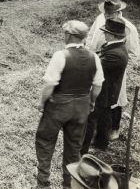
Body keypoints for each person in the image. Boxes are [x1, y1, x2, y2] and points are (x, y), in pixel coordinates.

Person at [35, 20, 104, 188]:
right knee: (74, 148)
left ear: (68, 36)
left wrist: (42, 103)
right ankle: (68, 183)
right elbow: (98, 85)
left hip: (58, 107)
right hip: (81, 108)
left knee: (45, 141)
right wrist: (91, 102)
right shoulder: (94, 57)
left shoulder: (61, 56)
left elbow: (50, 84)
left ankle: (43, 182)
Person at [86, 0, 140, 140]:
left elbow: (134, 54)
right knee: (98, 97)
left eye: (110, 13)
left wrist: (117, 65)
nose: (107, 16)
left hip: (115, 70)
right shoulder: (100, 19)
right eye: (106, 13)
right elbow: (91, 36)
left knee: (115, 99)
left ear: (118, 12)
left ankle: (114, 129)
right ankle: (98, 127)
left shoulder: (129, 28)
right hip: (96, 63)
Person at [81, 18, 129, 154]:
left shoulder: (116, 54)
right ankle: (101, 143)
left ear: (113, 35)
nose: (104, 34)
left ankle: (82, 150)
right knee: (104, 117)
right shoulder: (116, 46)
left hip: (104, 92)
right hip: (109, 91)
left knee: (89, 119)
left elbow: (95, 66)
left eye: (106, 32)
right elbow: (101, 56)